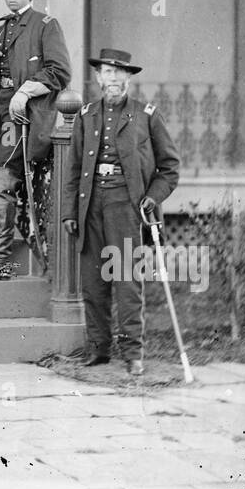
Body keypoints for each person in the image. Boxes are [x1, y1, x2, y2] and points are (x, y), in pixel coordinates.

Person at [60, 48, 181, 375]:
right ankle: (98, 349)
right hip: (91, 206)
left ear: (128, 77)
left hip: (128, 206)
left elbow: (170, 168)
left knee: (128, 280)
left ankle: (133, 352)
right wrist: (70, 212)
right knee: (93, 282)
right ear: (98, 78)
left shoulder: (147, 115)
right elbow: (72, 170)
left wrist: (152, 198)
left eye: (118, 73)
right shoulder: (86, 115)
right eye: (106, 73)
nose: (112, 79)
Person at [0, 0, 73, 281]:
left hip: (29, 119)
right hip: (1, 120)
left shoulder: (45, 25)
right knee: (3, 181)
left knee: (0, 179)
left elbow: (60, 72)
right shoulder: (0, 31)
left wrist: (25, 91)